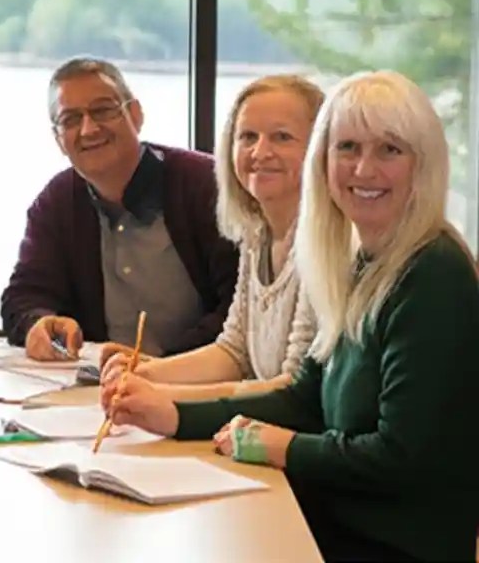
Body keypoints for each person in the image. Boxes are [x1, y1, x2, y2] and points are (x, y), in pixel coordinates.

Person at [104, 70, 479, 562]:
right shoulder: (359, 260)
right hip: (332, 525)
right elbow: (305, 398)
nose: (363, 169)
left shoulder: (434, 273)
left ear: (423, 164)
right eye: (347, 148)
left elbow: (399, 459)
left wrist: (280, 447)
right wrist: (172, 415)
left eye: (390, 150)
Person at [99, 75, 324, 400]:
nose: (260, 151)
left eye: (282, 137)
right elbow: (233, 351)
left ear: (319, 147)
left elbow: (292, 389)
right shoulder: (256, 234)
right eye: (247, 136)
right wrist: (141, 374)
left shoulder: (321, 246)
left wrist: (162, 395)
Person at [1, 56, 238, 361]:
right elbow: (22, 297)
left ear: (136, 115)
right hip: (101, 386)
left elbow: (239, 309)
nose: (88, 129)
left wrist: (164, 365)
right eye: (70, 119)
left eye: (102, 110)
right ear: (58, 139)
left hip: (199, 379)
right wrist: (38, 323)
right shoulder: (56, 202)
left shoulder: (207, 186)